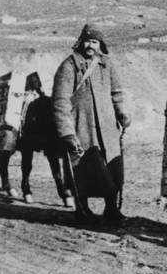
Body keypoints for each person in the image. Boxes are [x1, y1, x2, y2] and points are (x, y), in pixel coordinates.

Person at [52, 24, 131, 226]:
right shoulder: (69, 66)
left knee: (112, 167)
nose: (90, 45)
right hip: (82, 126)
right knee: (82, 167)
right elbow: (60, 101)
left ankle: (111, 208)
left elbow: (117, 93)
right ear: (80, 42)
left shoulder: (107, 64)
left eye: (94, 42)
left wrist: (122, 113)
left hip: (107, 128)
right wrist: (67, 132)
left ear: (100, 44)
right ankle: (82, 208)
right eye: (87, 41)